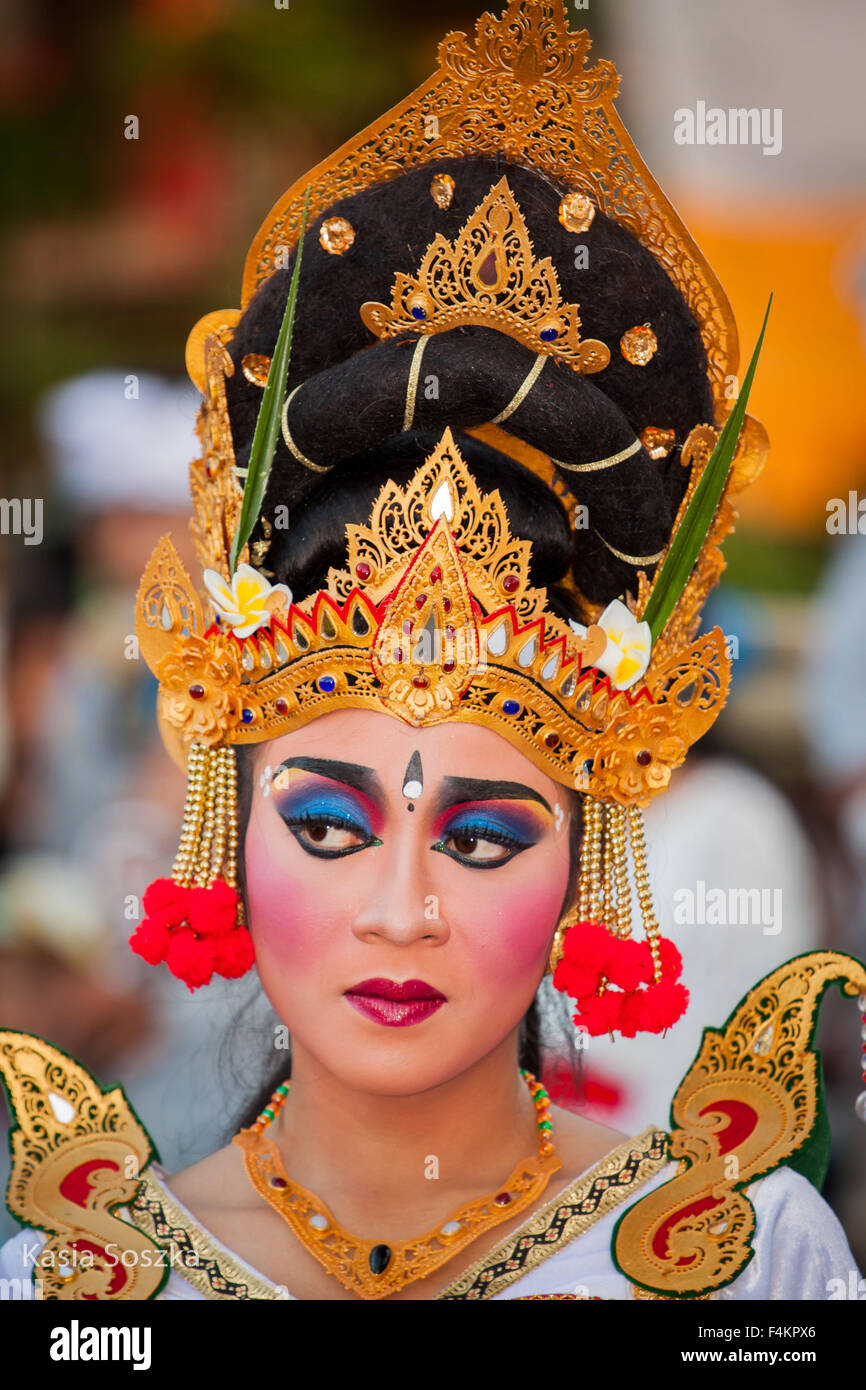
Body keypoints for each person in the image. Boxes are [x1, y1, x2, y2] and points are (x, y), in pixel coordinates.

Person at [0, 0, 863, 1302]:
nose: (400, 910)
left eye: (480, 838)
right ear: (224, 825)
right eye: (331, 826)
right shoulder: (77, 1288)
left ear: (592, 852)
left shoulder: (740, 1264)